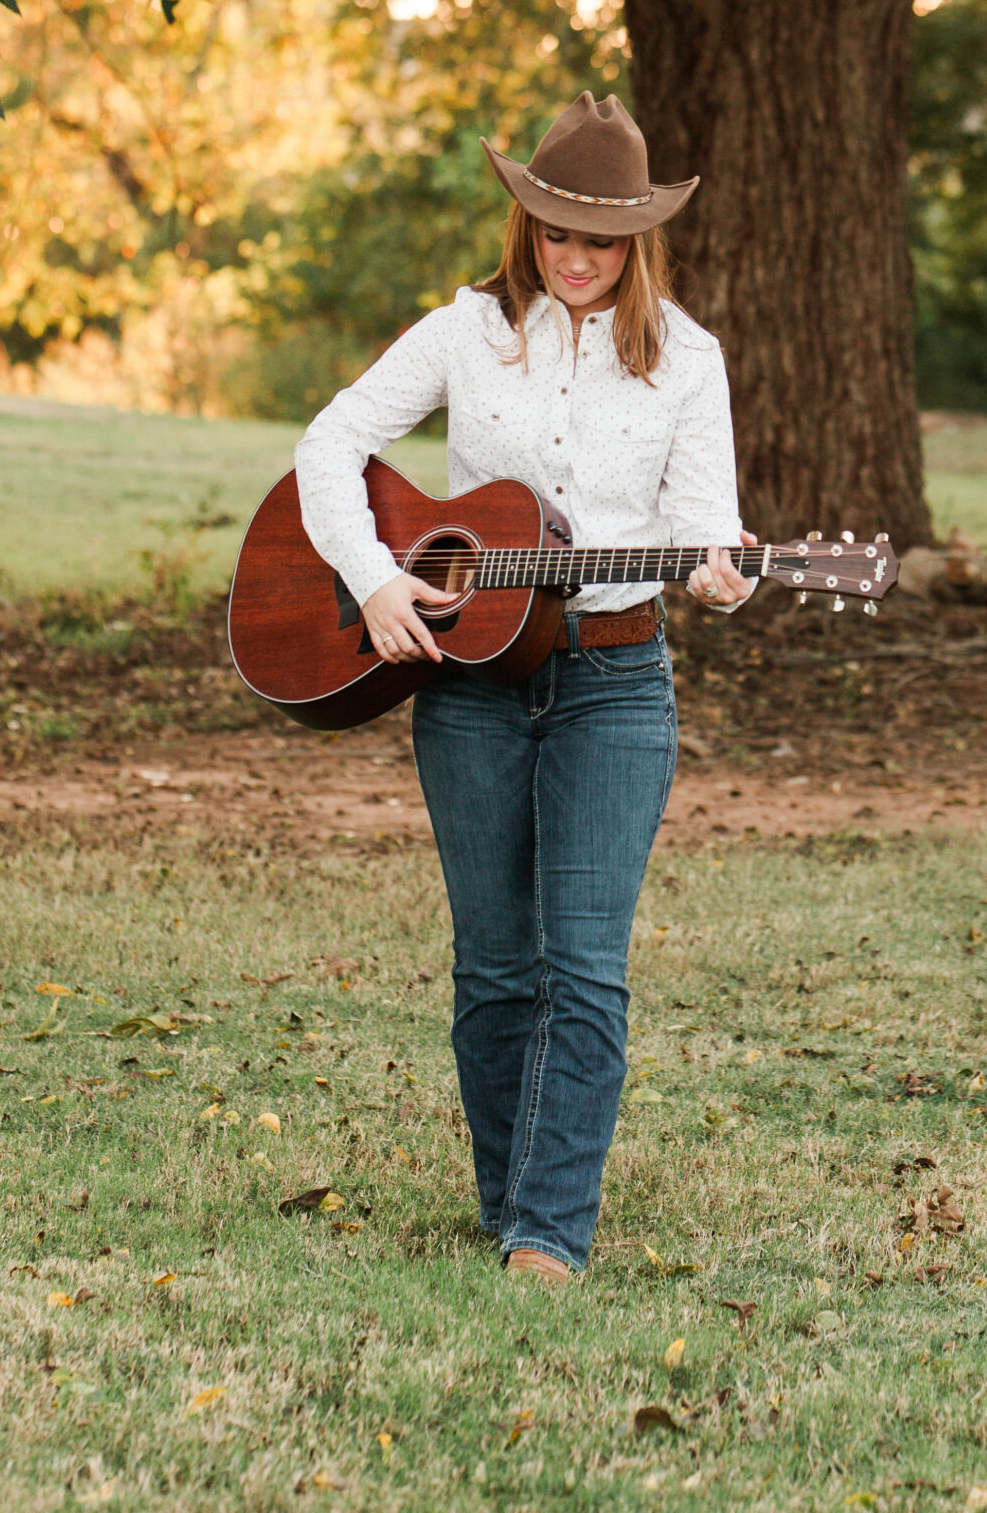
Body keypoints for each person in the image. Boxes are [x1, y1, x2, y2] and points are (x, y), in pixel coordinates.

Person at [293, 92, 757, 1283]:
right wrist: (378, 579)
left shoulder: (687, 359)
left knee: (583, 963)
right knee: (493, 961)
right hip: (471, 680)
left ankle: (549, 1233)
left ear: (638, 240)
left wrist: (721, 577)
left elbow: (709, 526)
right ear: (526, 224)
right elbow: (329, 443)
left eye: (602, 238)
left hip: (611, 685)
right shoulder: (464, 332)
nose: (578, 257)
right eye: (557, 230)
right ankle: (507, 1200)